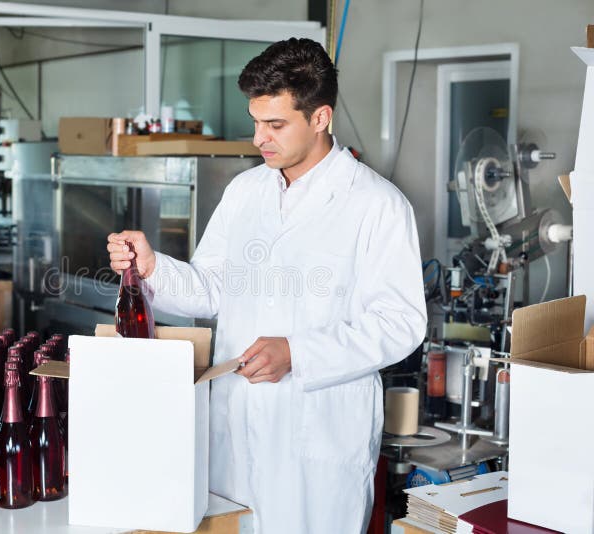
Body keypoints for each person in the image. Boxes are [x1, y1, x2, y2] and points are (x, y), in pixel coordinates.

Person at [107, 38, 426, 533]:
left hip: (316, 438)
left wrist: (298, 353)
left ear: (320, 118)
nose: (259, 138)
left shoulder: (376, 205)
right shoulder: (245, 191)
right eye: (256, 122)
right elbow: (212, 287)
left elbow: (400, 324)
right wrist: (153, 268)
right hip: (234, 427)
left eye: (275, 125)